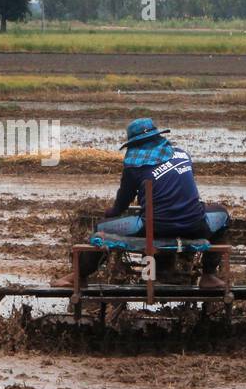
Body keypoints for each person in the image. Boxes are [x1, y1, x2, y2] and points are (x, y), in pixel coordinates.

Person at [53, 118, 231, 289]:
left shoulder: (134, 166)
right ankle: (208, 275)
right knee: (222, 214)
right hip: (195, 225)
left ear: (134, 144)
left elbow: (123, 201)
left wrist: (112, 212)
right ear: (158, 137)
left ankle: (79, 276)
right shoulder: (183, 155)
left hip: (155, 228)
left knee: (101, 229)